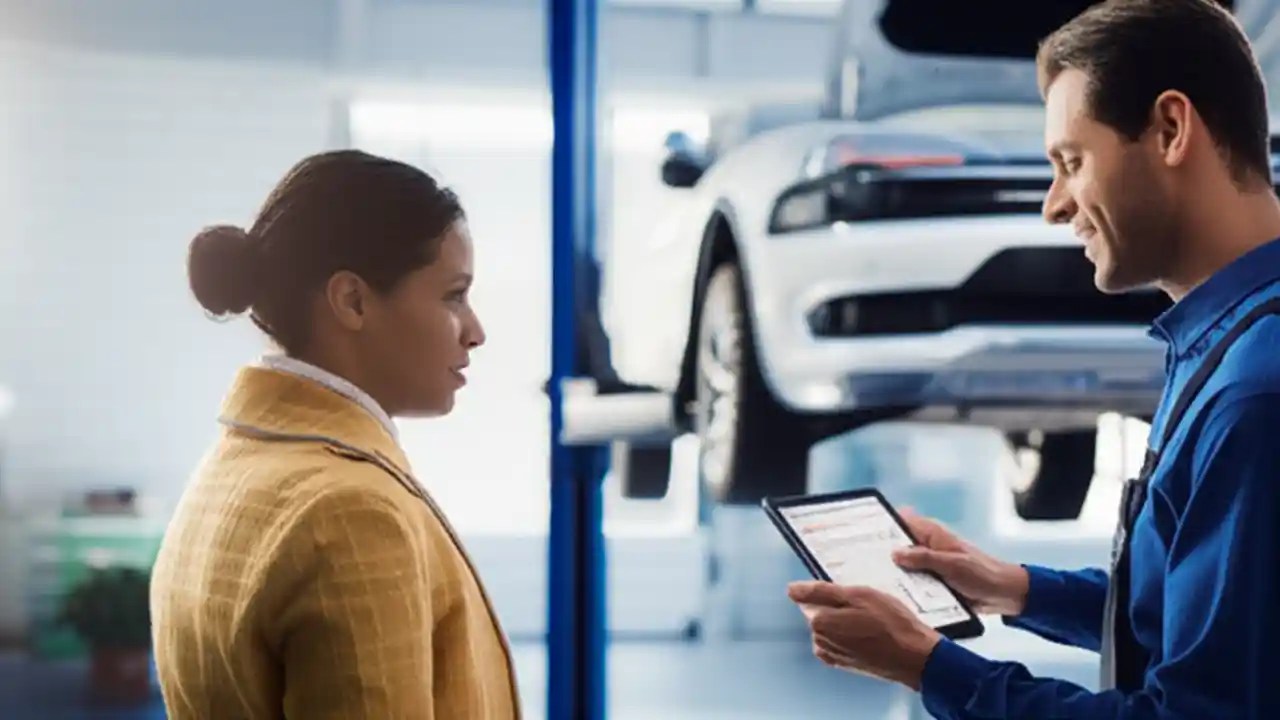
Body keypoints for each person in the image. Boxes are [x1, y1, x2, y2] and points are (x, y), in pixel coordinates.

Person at [787, 0, 1280, 717]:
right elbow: (1209, 617)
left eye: (1071, 162)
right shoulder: (1230, 340)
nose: (1054, 205)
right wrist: (1010, 587)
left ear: (1171, 130)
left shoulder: (1255, 393)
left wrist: (932, 669)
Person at [149, 149, 521, 718]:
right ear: (352, 300)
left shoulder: (228, 470)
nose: (476, 332)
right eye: (453, 295)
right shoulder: (350, 513)